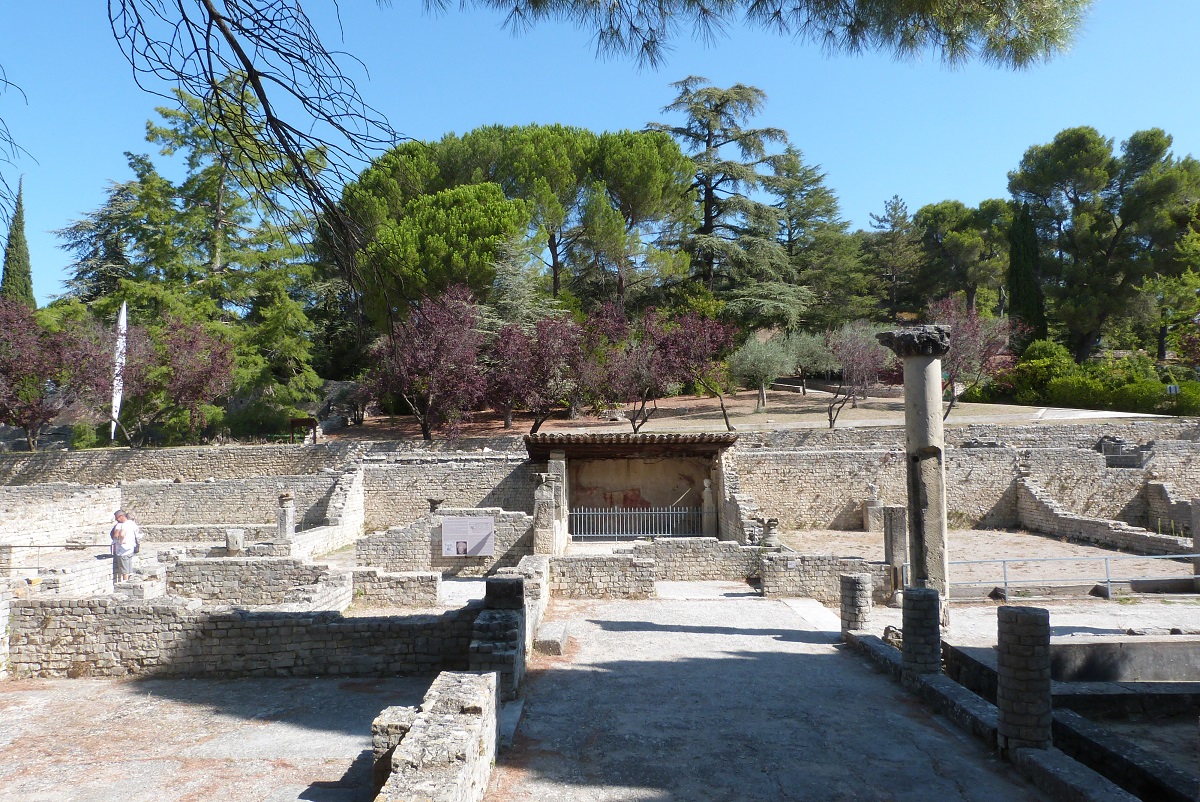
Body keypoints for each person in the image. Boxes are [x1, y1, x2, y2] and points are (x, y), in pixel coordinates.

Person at [110, 509, 140, 582]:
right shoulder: (132, 523)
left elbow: (119, 535)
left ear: (121, 516)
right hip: (131, 548)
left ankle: (125, 584)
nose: (116, 520)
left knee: (124, 571)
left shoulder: (123, 525)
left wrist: (120, 541)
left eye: (117, 518)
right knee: (129, 569)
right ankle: (130, 581)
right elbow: (137, 533)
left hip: (123, 550)